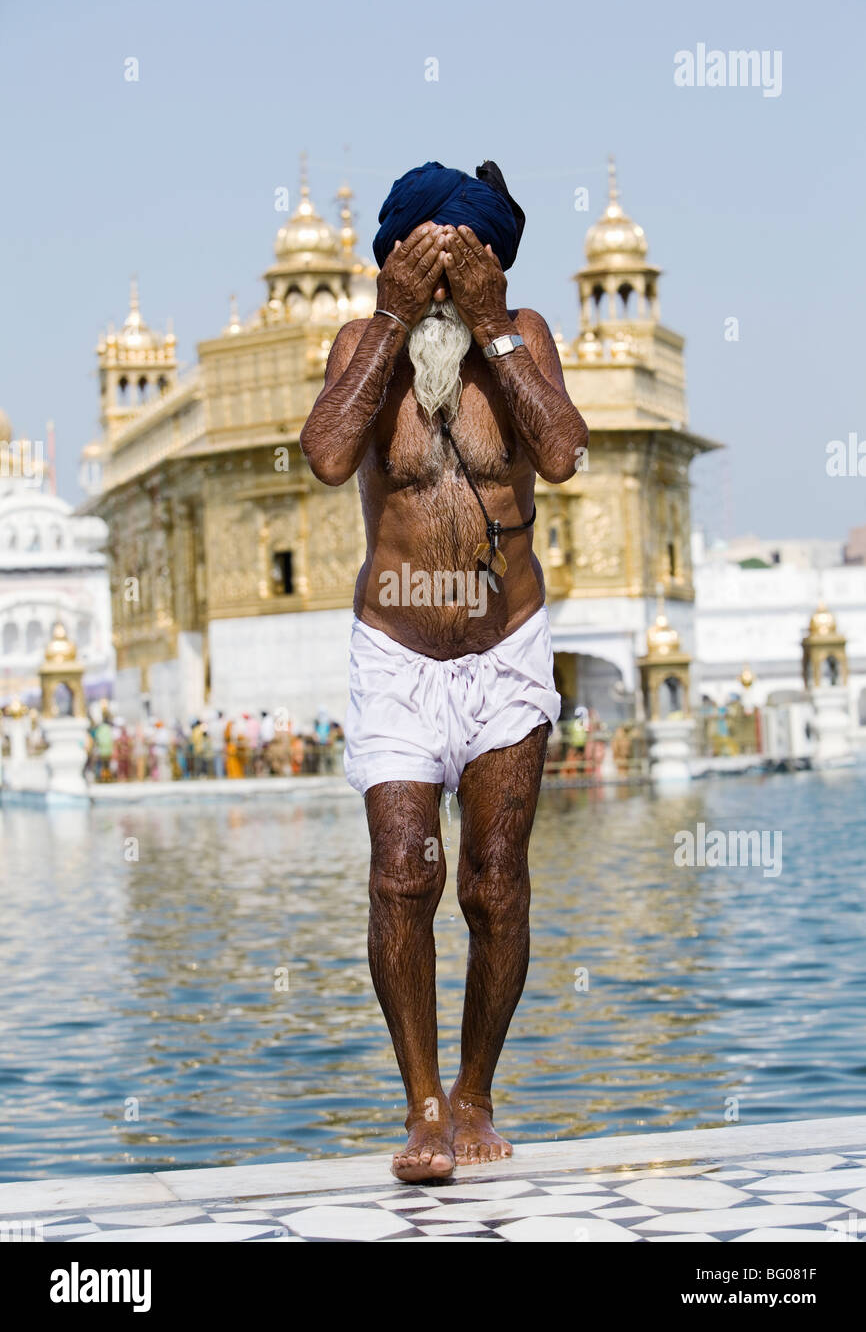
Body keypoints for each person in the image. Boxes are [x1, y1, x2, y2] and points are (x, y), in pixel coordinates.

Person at [301, 158, 587, 1183]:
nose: (438, 293)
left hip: (505, 647)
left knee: (495, 883)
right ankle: (421, 1107)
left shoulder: (522, 337)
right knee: (400, 875)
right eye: (418, 266)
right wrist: (388, 320)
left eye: (456, 268)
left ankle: (473, 1094)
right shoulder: (361, 344)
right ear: (390, 263)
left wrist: (491, 318)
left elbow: (560, 452)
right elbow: (329, 456)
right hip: (397, 654)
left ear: (490, 266)